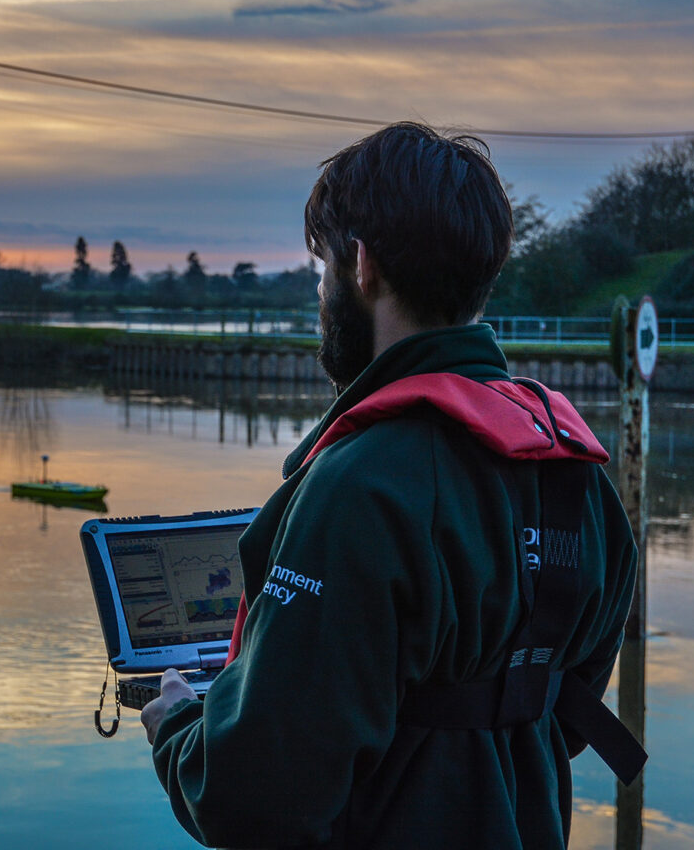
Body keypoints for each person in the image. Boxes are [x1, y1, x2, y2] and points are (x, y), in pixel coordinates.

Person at [141, 122, 641, 848]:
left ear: (362, 267)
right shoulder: (577, 477)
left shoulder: (359, 488)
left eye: (325, 271)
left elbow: (255, 797)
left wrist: (178, 727)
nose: (323, 295)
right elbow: (563, 714)